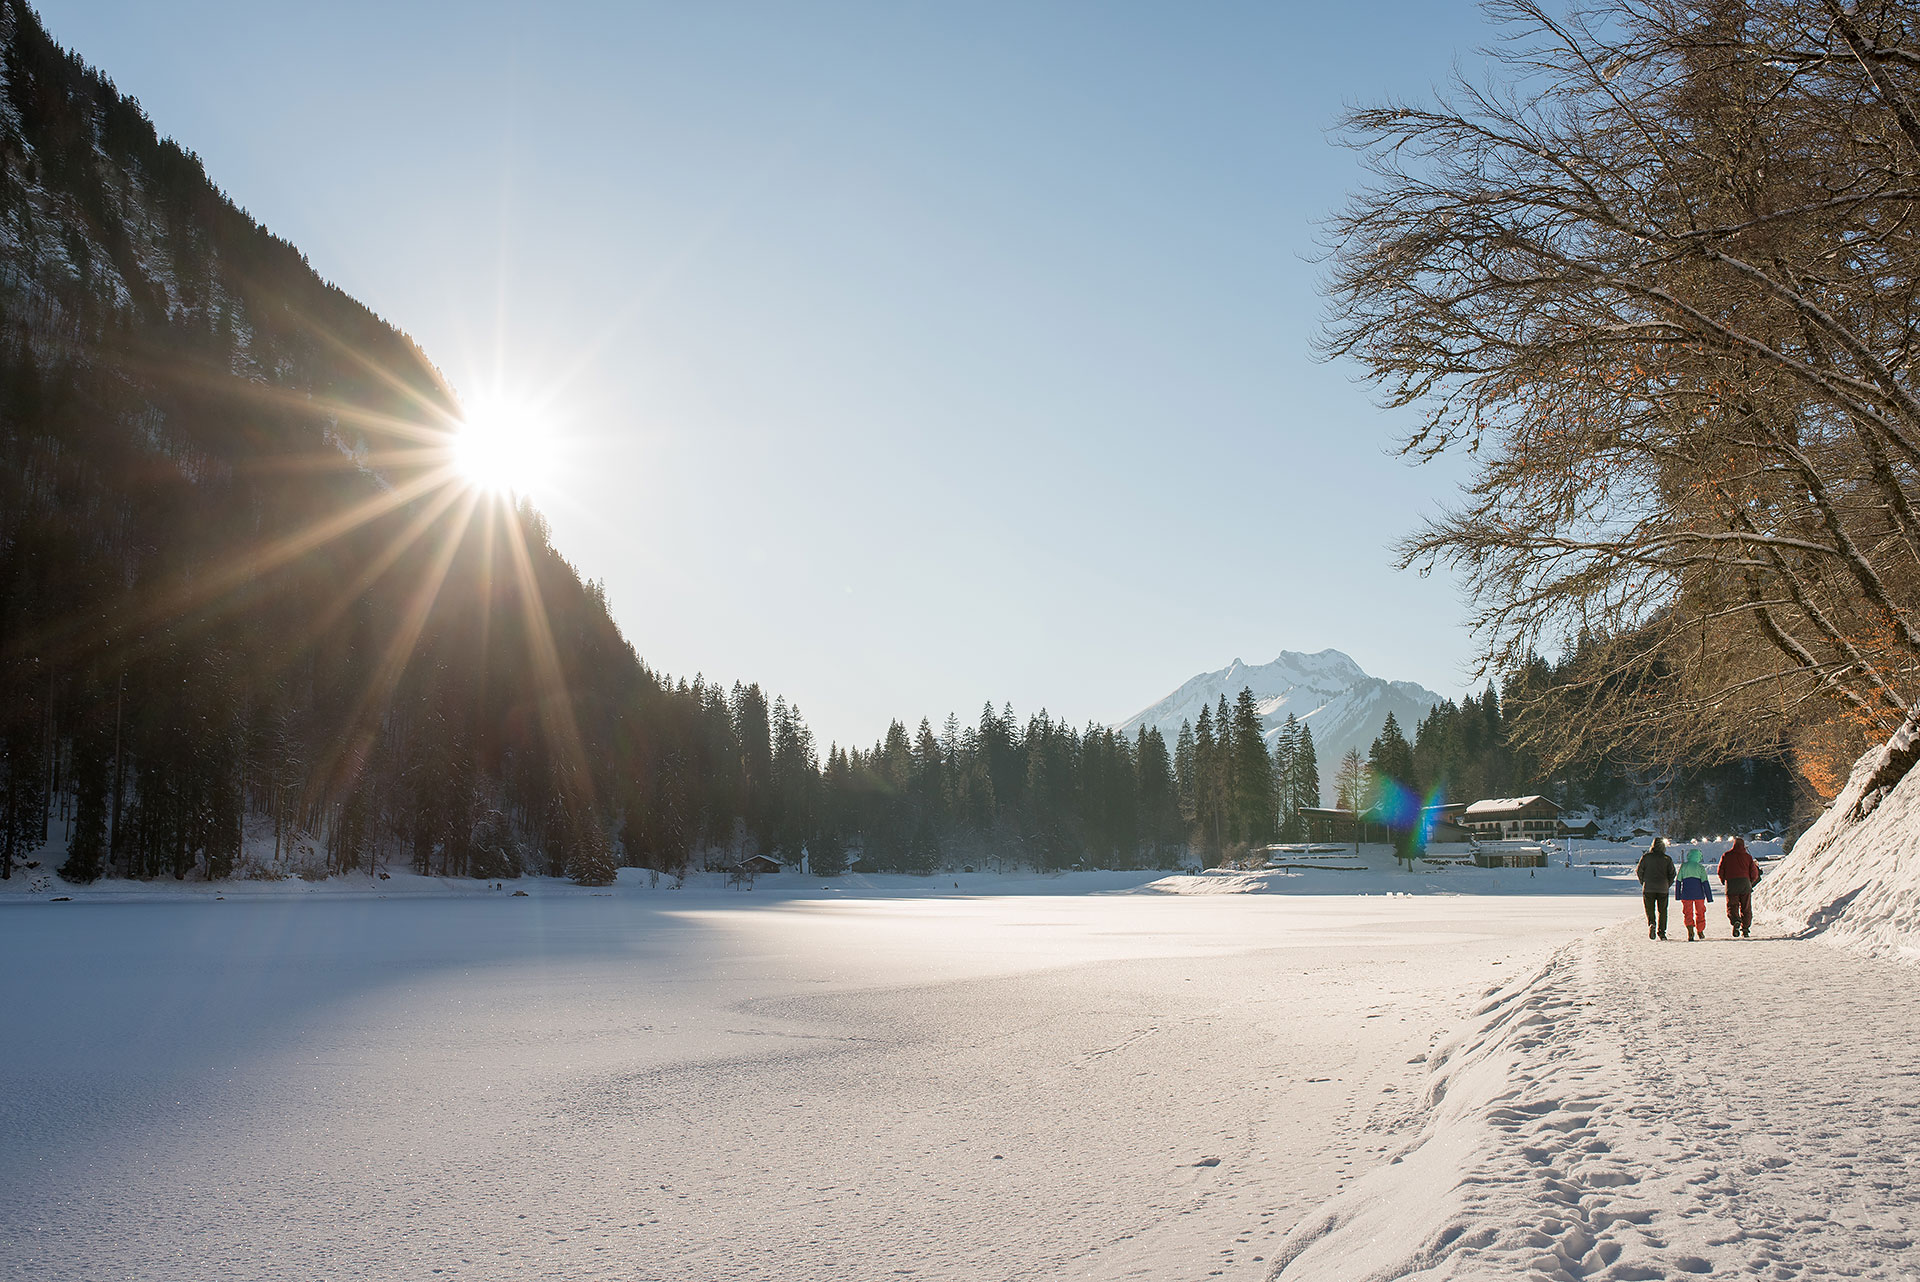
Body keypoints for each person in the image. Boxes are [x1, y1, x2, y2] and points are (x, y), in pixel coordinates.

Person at [1718, 836, 1763, 938]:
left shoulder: (1727, 855)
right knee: (1746, 907)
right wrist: (1750, 882)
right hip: (1745, 883)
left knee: (1732, 905)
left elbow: (1721, 869)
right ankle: (1746, 928)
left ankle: (1735, 921)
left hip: (1731, 883)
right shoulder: (1747, 857)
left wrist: (1723, 879)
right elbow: (1754, 872)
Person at [1636, 837, 1677, 940]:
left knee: (1649, 909)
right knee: (1662, 911)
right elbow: (1672, 873)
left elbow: (1639, 871)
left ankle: (1651, 923)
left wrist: (1643, 882)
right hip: (1663, 888)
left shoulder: (1646, 857)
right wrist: (1667, 884)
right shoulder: (1667, 859)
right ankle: (1662, 932)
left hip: (1649, 887)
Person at [1675, 848, 1714, 941]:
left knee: (1687, 913)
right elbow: (1705, 883)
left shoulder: (1683, 866)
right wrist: (1709, 897)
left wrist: (1678, 895)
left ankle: (1690, 930)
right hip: (1699, 894)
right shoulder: (1700, 867)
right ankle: (1700, 931)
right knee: (1700, 912)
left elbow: (1678, 881)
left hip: (1686, 894)